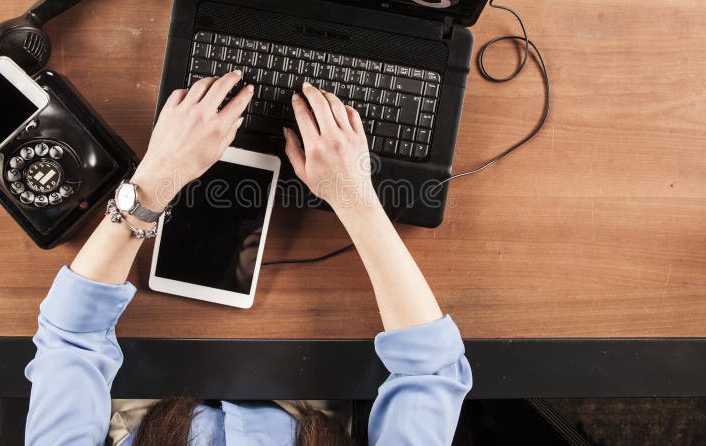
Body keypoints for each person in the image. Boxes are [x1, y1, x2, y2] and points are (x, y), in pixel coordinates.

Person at [24, 71, 472, 445]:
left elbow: (71, 339)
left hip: (145, 407)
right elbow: (430, 372)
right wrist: (354, 197)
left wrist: (157, 177)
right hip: (313, 408)